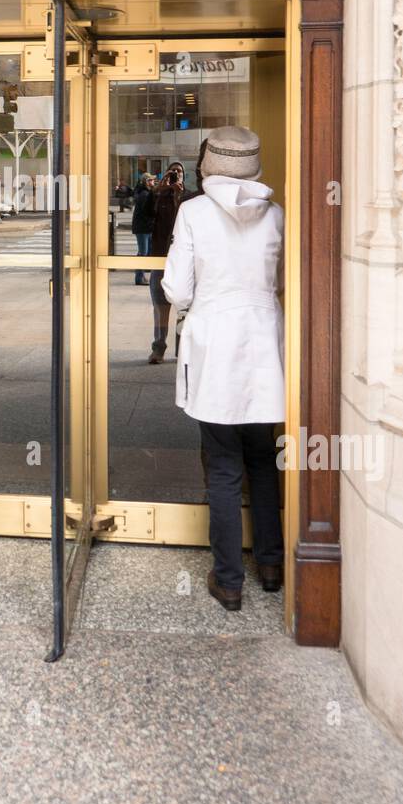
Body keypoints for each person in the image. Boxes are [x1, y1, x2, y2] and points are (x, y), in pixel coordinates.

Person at [161, 126, 285, 612]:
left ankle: (229, 579)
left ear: (207, 165)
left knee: (223, 465)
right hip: (265, 346)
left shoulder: (193, 212)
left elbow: (178, 289)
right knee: (262, 459)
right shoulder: (275, 214)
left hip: (215, 346)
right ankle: (271, 565)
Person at [147, 161, 195, 363]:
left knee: (184, 307)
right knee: (160, 306)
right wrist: (157, 192)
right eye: (172, 172)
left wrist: (178, 197)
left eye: (179, 172)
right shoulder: (158, 196)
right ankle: (159, 348)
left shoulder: (190, 197)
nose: (176, 175)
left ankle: (182, 351)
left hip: (183, 260)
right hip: (160, 257)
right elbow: (143, 218)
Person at [131, 173, 155, 284]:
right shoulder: (144, 194)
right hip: (143, 228)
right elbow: (147, 211)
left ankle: (141, 276)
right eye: (151, 180)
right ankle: (139, 278)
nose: (153, 182)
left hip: (146, 227)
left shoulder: (146, 193)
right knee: (143, 252)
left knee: (145, 252)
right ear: (146, 182)